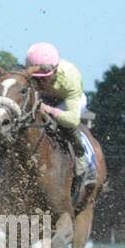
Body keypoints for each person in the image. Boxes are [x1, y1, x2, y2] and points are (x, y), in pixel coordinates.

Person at [24, 42, 90, 179]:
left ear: (55, 70)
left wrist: (49, 110)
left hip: (67, 100)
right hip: (45, 98)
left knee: (65, 125)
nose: (40, 82)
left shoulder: (70, 78)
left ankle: (80, 155)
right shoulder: (28, 73)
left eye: (44, 78)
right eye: (36, 78)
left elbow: (73, 120)